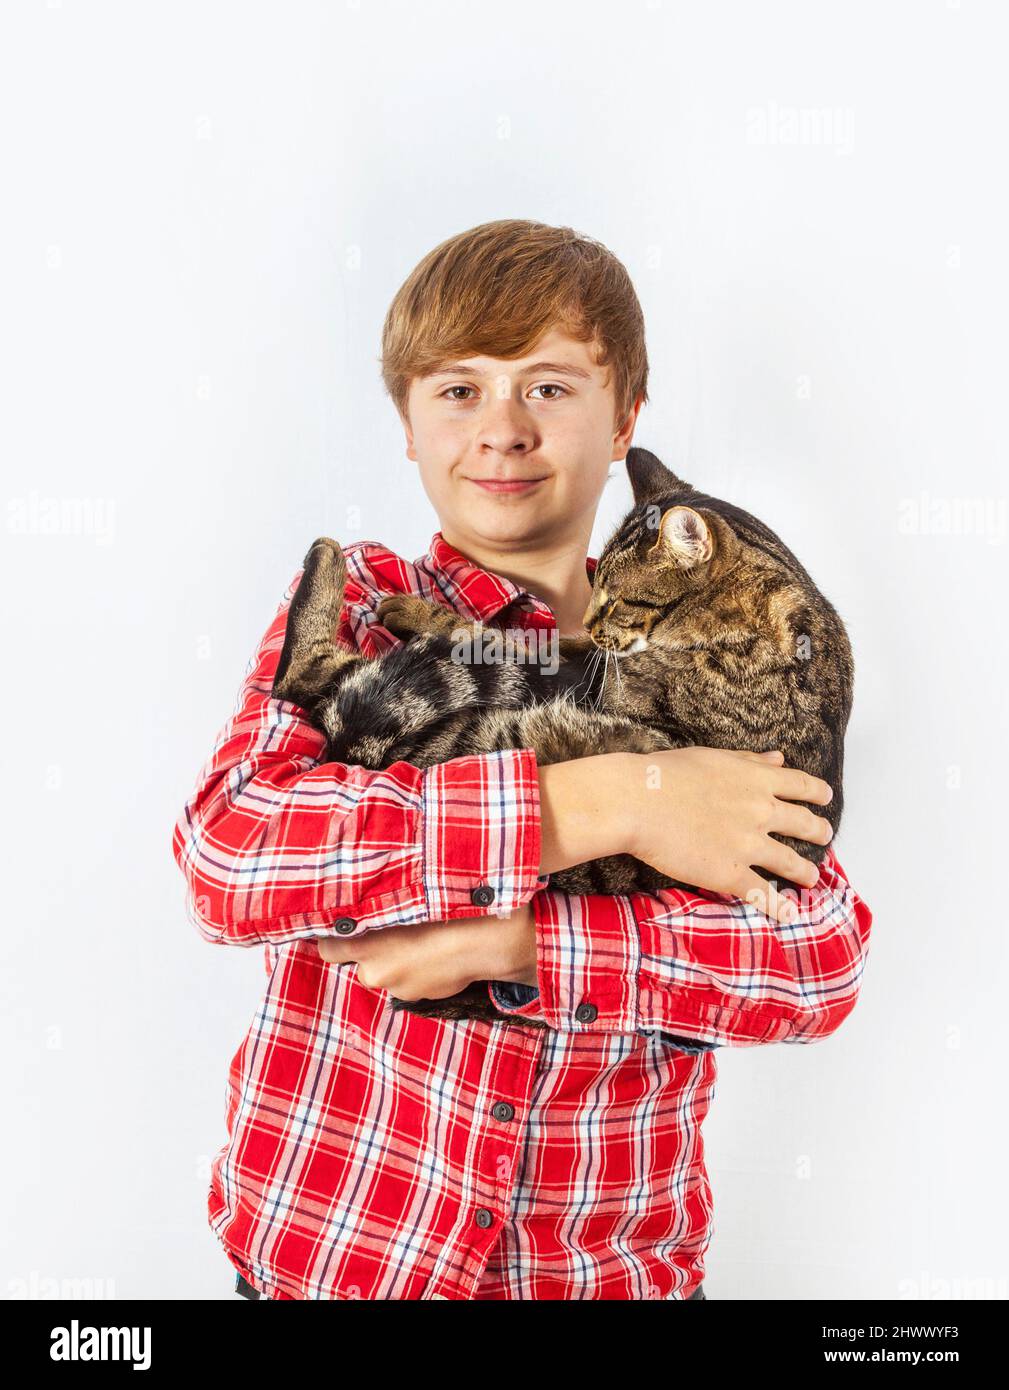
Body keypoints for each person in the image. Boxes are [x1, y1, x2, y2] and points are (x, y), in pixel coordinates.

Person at [171, 218, 872, 1301]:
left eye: (547, 388)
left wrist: (526, 941)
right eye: (458, 391)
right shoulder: (359, 606)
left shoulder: (708, 649)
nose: (501, 430)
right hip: (335, 1266)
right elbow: (232, 855)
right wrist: (617, 802)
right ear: (405, 423)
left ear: (625, 415)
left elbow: (813, 959)